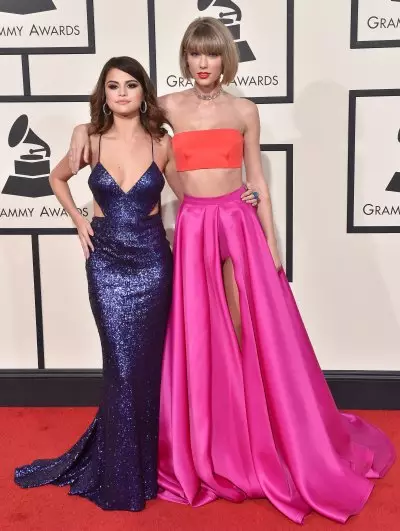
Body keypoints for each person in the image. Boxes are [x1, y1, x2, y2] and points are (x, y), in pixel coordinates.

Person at [68, 18, 395, 525]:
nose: (203, 64)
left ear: (226, 58)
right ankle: (207, 443)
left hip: (237, 224)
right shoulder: (168, 107)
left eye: (212, 54)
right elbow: (130, 146)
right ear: (185, 59)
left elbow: (256, 177)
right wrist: (108, 214)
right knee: (199, 335)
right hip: (194, 226)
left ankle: (254, 437)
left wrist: (271, 241)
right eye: (195, 55)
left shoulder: (245, 109)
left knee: (247, 330)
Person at [14, 56, 178, 512]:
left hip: (152, 263)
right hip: (106, 262)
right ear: (103, 94)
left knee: (144, 372)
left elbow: (193, 196)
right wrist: (77, 219)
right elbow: (56, 177)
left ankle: (140, 471)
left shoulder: (162, 144)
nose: (122, 93)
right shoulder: (89, 141)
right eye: (113, 86)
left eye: (130, 85)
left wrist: (240, 196)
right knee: (121, 369)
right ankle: (121, 475)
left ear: (144, 92)